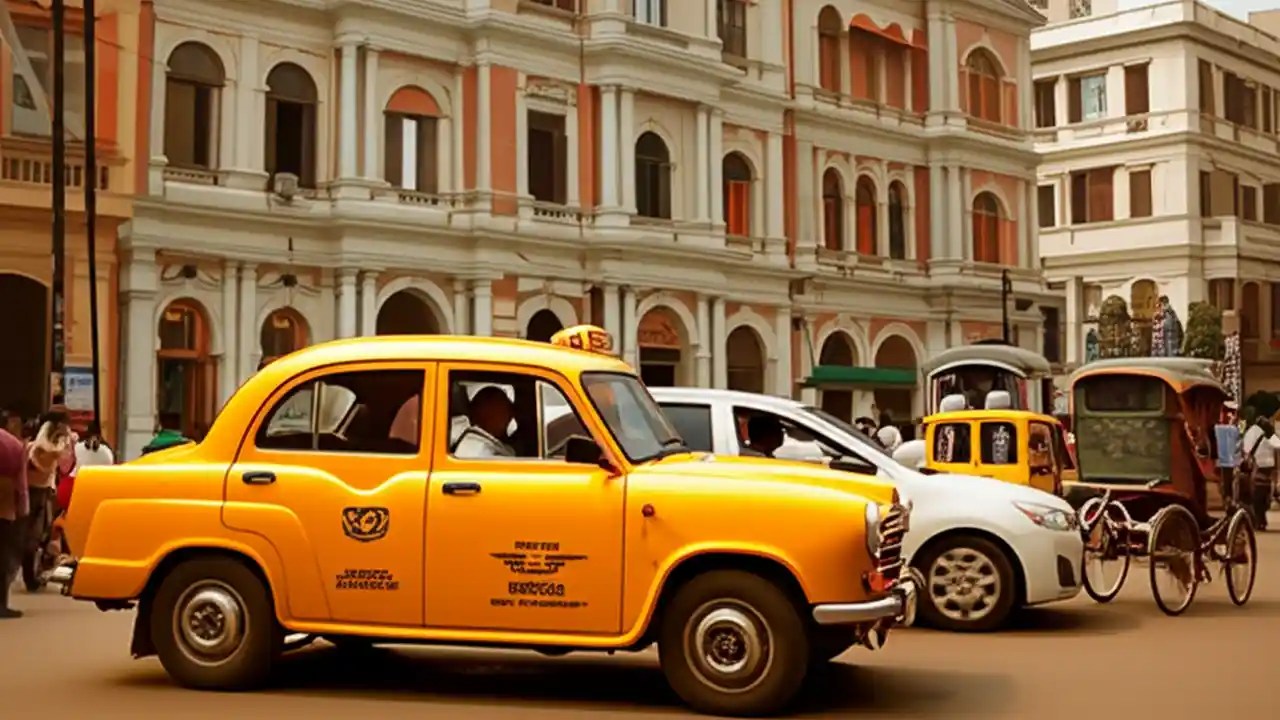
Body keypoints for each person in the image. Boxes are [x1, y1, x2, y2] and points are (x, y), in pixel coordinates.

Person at [0, 426, 29, 618]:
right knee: (3, 556)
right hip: (4, 501)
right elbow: (21, 481)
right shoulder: (13, 444)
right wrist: (23, 507)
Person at [453, 386, 517, 458]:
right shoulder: (482, 451)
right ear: (488, 414)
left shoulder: (479, 441)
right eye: (505, 410)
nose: (511, 416)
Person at [1243, 417, 1275, 530]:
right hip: (1268, 466)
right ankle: (1261, 518)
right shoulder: (1269, 433)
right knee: (1264, 494)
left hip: (1256, 466)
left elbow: (1246, 449)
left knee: (1256, 495)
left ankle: (1259, 519)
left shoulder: (1250, 432)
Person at [1214, 402, 1243, 508]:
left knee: (1227, 483)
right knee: (1230, 483)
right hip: (1231, 460)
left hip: (1224, 461)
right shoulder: (1231, 429)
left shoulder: (1219, 428)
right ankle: (1230, 500)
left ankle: (1227, 500)